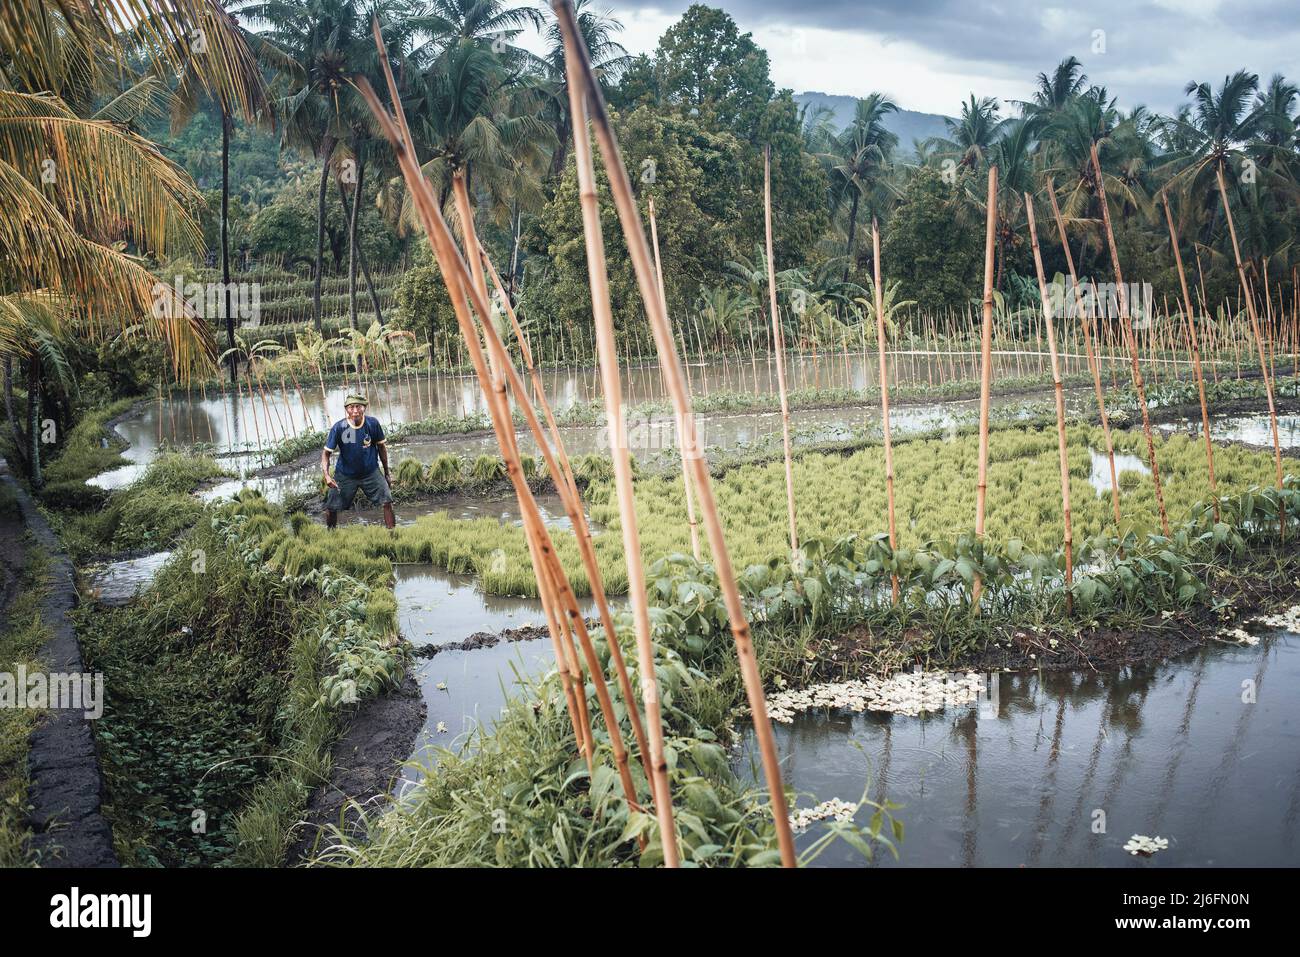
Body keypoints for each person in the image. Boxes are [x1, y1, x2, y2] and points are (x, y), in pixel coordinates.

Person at [321, 393, 395, 529]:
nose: (355, 411)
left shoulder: (372, 424)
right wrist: (326, 475)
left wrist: (386, 472)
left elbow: (381, 448)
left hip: (370, 472)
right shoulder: (339, 427)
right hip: (345, 474)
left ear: (364, 408)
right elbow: (326, 453)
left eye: (358, 407)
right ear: (346, 409)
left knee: (387, 501)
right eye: (351, 407)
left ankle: (392, 534)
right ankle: (330, 534)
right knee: (331, 507)